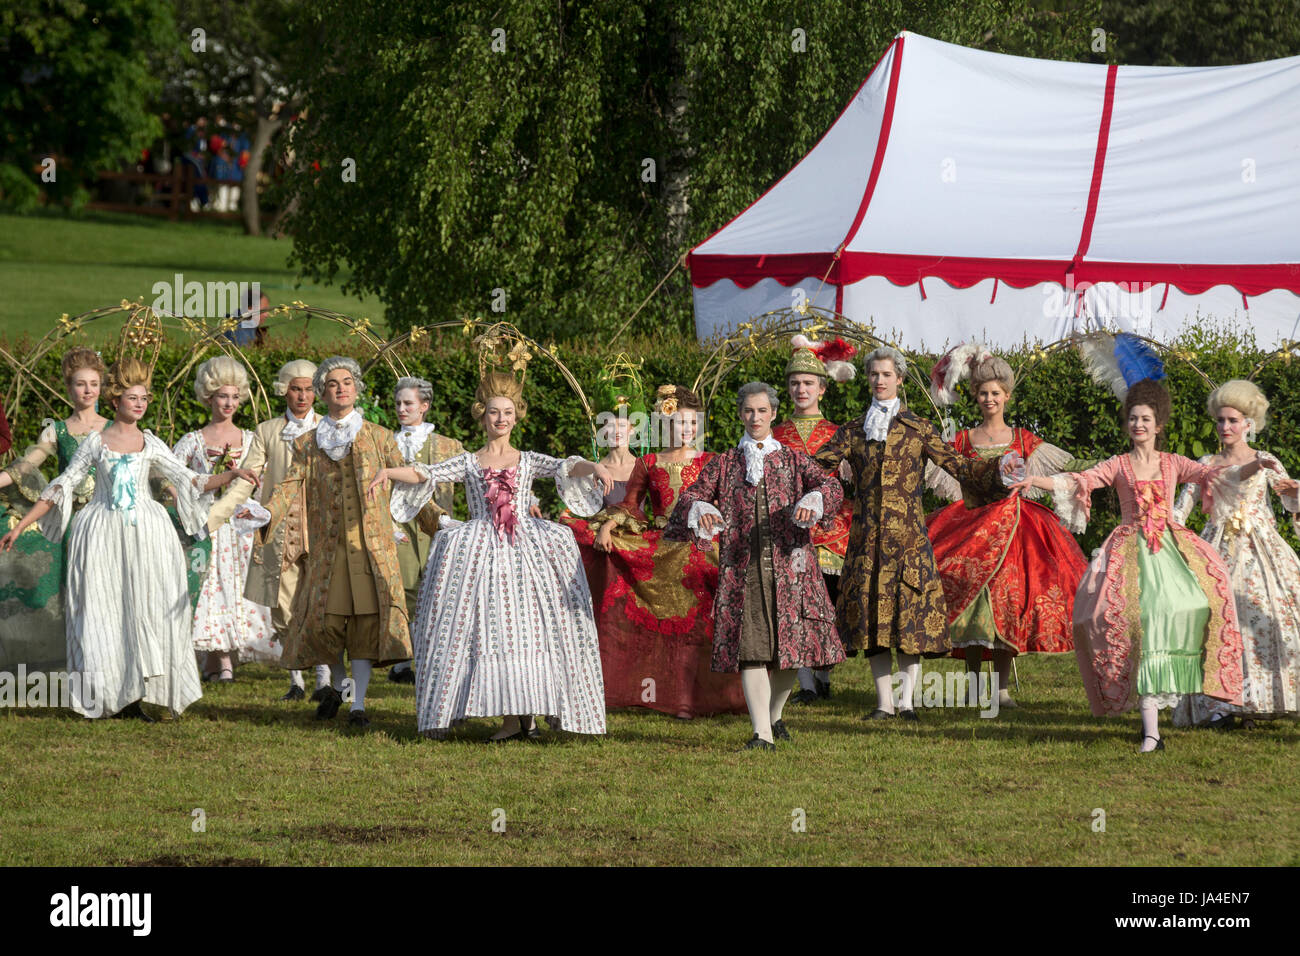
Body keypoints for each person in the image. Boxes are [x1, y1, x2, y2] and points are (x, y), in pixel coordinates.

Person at [0, 355, 259, 719]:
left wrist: (232, 476)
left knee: (146, 609)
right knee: (103, 611)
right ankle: (109, 695)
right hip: (101, 533)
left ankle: (141, 693)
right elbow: (60, 488)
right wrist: (20, 525)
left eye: (145, 399)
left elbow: (191, 480)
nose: (140, 405)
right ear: (116, 401)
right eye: (133, 398)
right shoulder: (94, 443)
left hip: (147, 535)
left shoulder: (151, 443)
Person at [369, 371, 612, 741]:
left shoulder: (527, 459)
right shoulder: (469, 462)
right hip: (482, 549)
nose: (501, 419)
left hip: (526, 552)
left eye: (508, 413)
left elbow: (563, 467)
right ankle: (510, 718)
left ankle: (527, 715)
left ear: (517, 418)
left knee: (531, 629)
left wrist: (594, 466)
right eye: (494, 413)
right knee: (491, 629)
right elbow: (426, 474)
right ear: (483, 417)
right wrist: (387, 470)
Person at [1013, 378, 1249, 752]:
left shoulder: (1172, 463)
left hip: (1171, 550)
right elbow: (1080, 479)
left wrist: (1255, 467)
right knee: (1136, 625)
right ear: (1127, 425)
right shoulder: (1119, 465)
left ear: (1158, 425)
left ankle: (1202, 693)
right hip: (1129, 552)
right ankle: (1151, 730)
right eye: (1133, 419)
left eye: (1146, 419)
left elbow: (1216, 476)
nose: (1139, 425)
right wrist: (1034, 479)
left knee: (1199, 605)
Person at [813, 347, 1015, 722]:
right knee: (872, 620)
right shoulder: (854, 429)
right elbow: (817, 465)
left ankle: (906, 702)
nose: (879, 380)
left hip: (908, 539)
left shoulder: (919, 427)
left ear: (900, 379)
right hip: (866, 538)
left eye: (886, 374)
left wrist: (999, 471)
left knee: (909, 618)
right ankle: (883, 703)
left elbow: (956, 465)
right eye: (873, 374)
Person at [665, 382, 845, 750]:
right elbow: (691, 496)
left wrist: (814, 497)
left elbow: (832, 486)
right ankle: (761, 732)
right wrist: (704, 509)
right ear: (740, 414)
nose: (755, 417)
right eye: (749, 410)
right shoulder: (726, 462)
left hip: (792, 569)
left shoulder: (794, 459)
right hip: (741, 570)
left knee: (790, 653)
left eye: (762, 410)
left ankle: (774, 715)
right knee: (751, 649)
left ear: (774, 414)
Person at [924, 347, 1088, 710]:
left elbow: (1055, 472)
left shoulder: (1024, 439)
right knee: (969, 603)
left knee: (1006, 601)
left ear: (1007, 397)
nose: (989, 399)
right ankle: (970, 685)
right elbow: (952, 478)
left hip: (1015, 530)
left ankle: (999, 690)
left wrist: (1038, 479)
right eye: (983, 393)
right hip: (971, 528)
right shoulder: (963, 441)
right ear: (975, 396)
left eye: (995, 393)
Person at [260, 356, 411, 730]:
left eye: (347, 382)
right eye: (332, 384)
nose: (341, 388)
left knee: (362, 627)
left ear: (356, 388)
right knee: (329, 628)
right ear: (322, 392)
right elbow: (290, 486)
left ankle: (356, 705)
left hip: (370, 551)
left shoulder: (379, 436)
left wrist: (438, 520)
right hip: (328, 553)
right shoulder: (309, 443)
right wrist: (265, 516)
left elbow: (408, 484)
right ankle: (341, 690)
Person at [581, 385, 747, 718]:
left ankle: (707, 695)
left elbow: (730, 504)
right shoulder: (648, 462)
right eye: (678, 424)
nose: (685, 430)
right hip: (662, 543)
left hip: (704, 546)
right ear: (664, 425)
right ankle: (663, 692)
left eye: (691, 424)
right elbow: (632, 505)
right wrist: (608, 525)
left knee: (705, 622)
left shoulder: (712, 461)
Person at [1171, 380, 1300, 730]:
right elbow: (1180, 510)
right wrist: (1174, 539)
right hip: (1217, 549)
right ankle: (1218, 706)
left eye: (1232, 420)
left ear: (1248, 424)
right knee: (1213, 624)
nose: (1225, 427)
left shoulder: (1265, 460)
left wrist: (1296, 492)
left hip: (1262, 551)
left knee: (1264, 618)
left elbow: (1290, 500)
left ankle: (1260, 699)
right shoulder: (1206, 463)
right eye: (1220, 420)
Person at [0, 349, 109, 672]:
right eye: (80, 384)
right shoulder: (56, 431)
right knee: (74, 592)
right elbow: (27, 463)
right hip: (72, 523)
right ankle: (79, 662)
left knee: (105, 588)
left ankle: (106, 662)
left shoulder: (115, 427)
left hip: (105, 518)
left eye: (94, 383)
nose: (88, 390)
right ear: (68, 388)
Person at [171, 357, 273, 682]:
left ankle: (220, 660)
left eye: (234, 397)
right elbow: (171, 479)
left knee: (236, 591)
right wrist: (187, 512)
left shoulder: (252, 439)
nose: (228, 403)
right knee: (208, 590)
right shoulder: (193, 441)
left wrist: (253, 507)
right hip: (205, 529)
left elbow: (263, 481)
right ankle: (220, 661)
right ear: (209, 397)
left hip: (240, 529)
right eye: (221, 396)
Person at [771, 335, 857, 704]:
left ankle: (823, 673)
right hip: (787, 528)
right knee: (794, 603)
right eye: (794, 383)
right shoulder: (774, 435)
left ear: (822, 389)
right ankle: (805, 683)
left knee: (832, 601)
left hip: (834, 529)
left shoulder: (840, 433)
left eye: (808, 383)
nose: (800, 389)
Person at [238, 359, 330, 702]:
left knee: (320, 600)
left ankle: (323, 677)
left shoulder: (329, 427)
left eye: (308, 389)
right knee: (282, 603)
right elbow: (250, 474)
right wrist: (234, 507)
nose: (302, 395)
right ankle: (296, 679)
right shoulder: (267, 431)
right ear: (284, 391)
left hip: (319, 526)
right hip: (278, 528)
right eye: (296, 389)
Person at [386, 377, 466, 685]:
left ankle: (434, 658)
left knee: (437, 593)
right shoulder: (386, 442)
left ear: (425, 406)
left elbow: (479, 473)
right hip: (399, 526)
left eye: (408, 403)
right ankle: (404, 660)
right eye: (398, 404)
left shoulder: (447, 445)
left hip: (438, 526)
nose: (402, 409)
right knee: (404, 590)